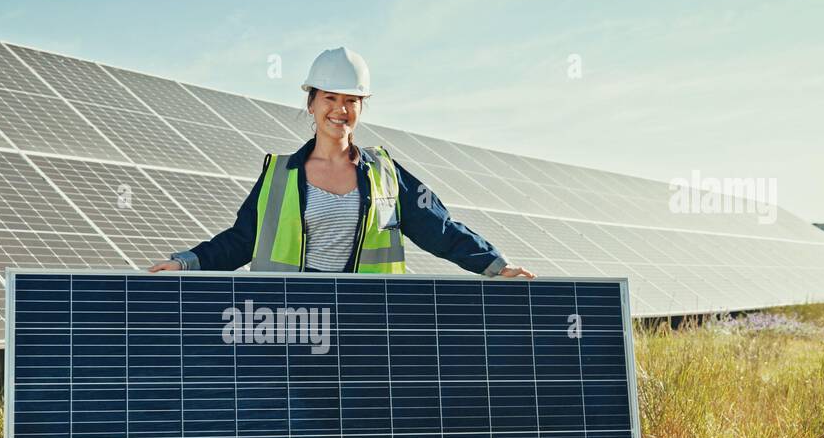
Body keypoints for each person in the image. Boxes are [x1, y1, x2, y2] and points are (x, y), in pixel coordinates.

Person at [149, 47, 536, 279]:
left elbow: (439, 229)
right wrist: (187, 264)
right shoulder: (279, 175)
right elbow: (241, 241)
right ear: (312, 103)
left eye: (351, 100)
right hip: (290, 320)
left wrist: (495, 266)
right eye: (330, 98)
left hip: (362, 319)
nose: (340, 109)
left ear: (361, 106)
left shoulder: (385, 174)